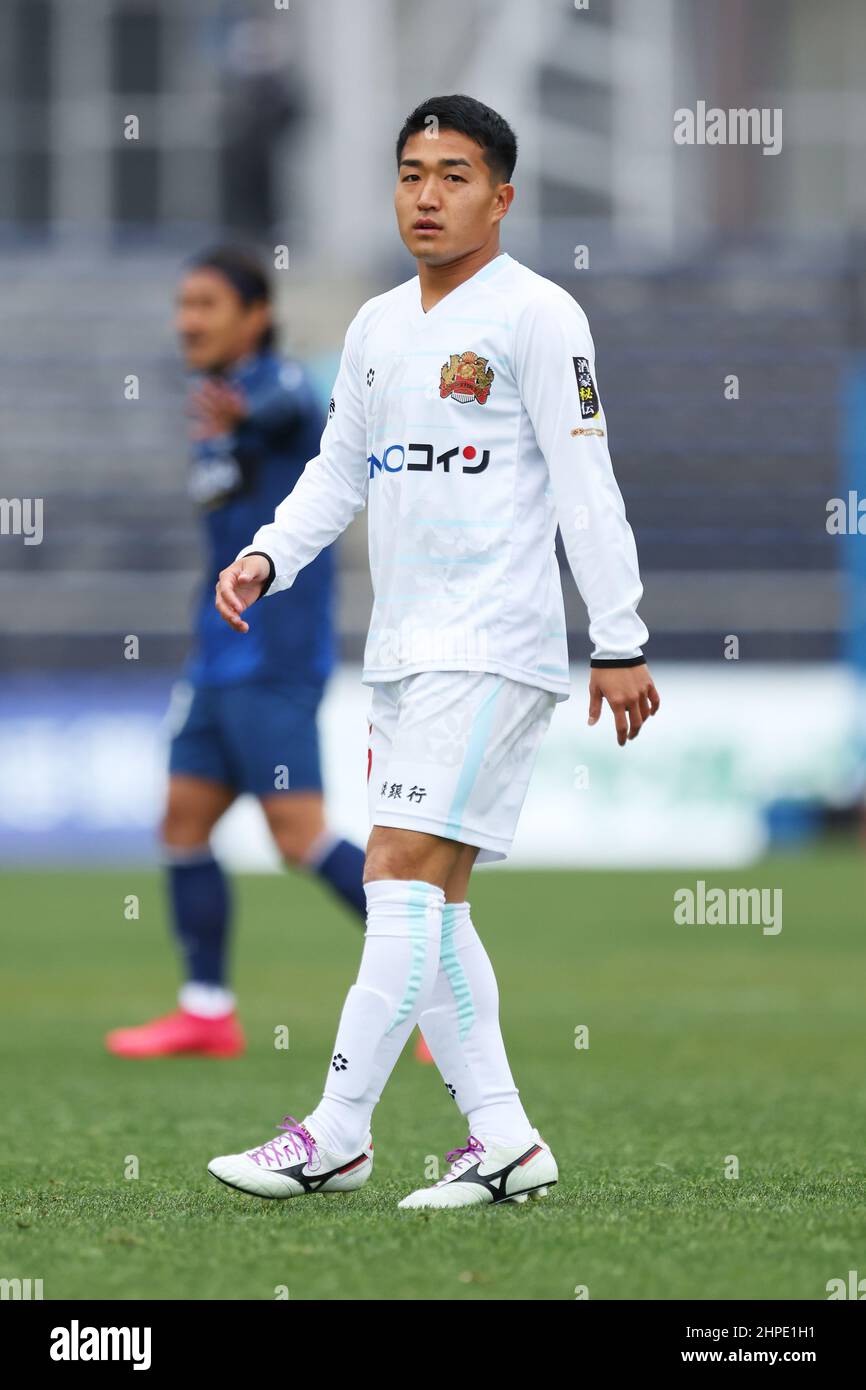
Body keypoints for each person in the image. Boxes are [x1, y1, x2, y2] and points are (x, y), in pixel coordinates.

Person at [207, 97, 659, 1208]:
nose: (426, 194)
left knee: (394, 874)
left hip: (493, 643)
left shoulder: (539, 318)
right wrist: (270, 554)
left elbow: (582, 478)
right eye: (410, 173)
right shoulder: (372, 327)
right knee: (437, 901)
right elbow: (337, 471)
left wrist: (619, 636)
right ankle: (503, 1141)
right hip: (403, 652)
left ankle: (336, 1130)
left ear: (499, 196)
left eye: (452, 175)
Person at [106, 247, 369, 1060]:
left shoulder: (280, 387)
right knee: (183, 823)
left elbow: (292, 408)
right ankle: (208, 1011)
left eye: (207, 304)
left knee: (299, 837)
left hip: (275, 656)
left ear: (255, 315)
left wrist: (243, 417)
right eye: (184, 303)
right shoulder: (212, 402)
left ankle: (444, 985)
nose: (188, 319)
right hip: (215, 657)